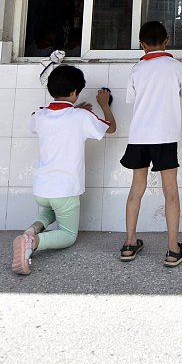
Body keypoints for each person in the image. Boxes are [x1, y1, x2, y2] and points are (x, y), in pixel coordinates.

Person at [11, 64, 114, 275]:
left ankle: (31, 230)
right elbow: (110, 128)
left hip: (41, 189)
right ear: (75, 92)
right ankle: (33, 242)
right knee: (68, 235)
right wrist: (104, 105)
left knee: (49, 210)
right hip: (65, 189)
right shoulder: (81, 117)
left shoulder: (39, 115)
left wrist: (75, 111)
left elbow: (45, 121)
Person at [119, 20, 182, 267]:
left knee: (136, 190)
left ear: (141, 44)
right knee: (170, 192)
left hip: (139, 136)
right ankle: (173, 250)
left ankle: (130, 244)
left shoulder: (137, 69)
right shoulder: (175, 66)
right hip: (165, 136)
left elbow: (131, 99)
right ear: (167, 40)